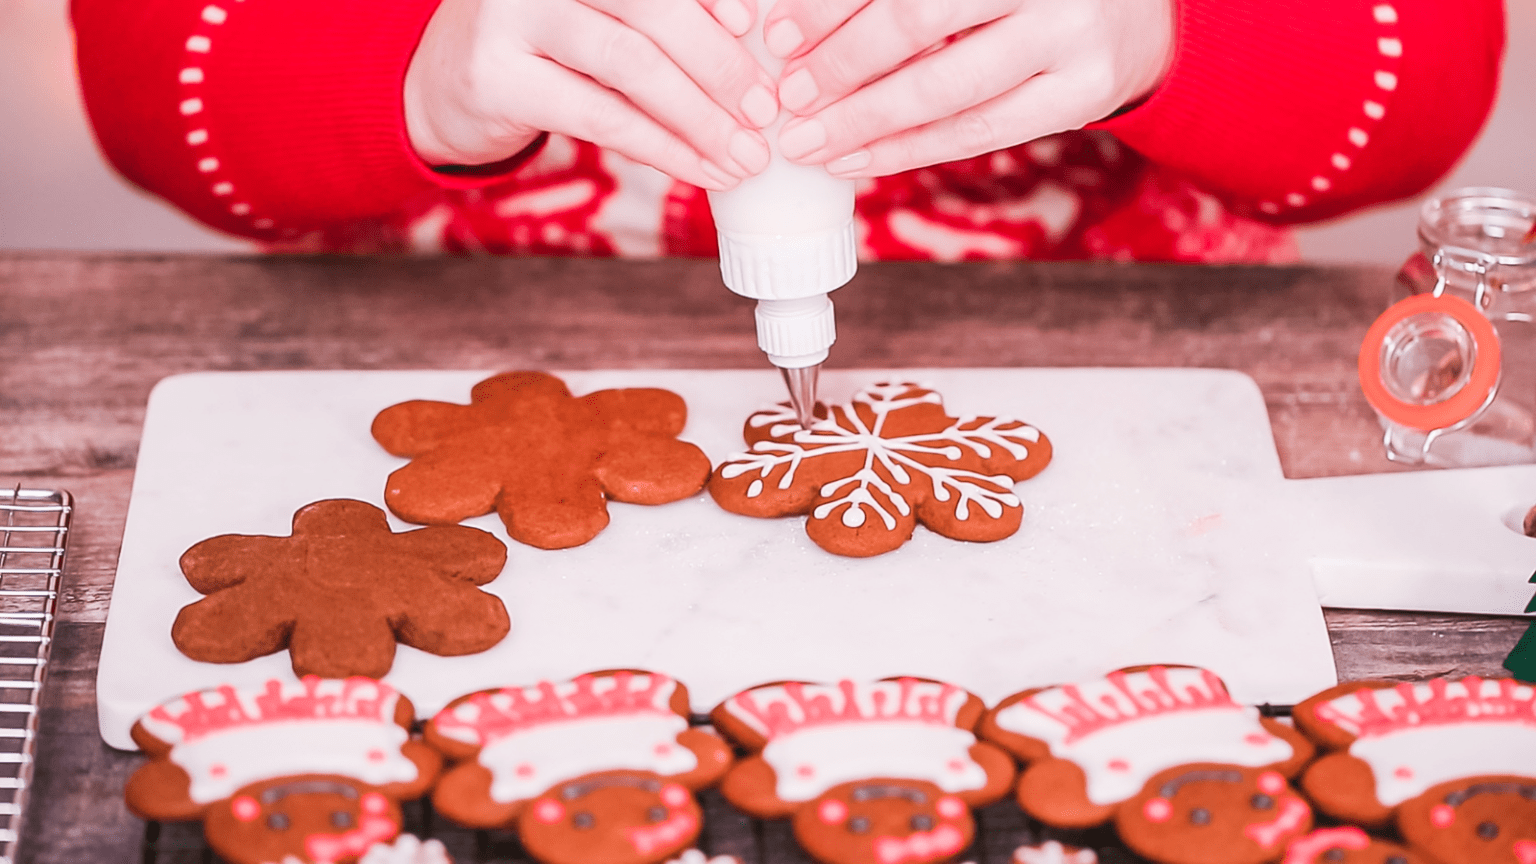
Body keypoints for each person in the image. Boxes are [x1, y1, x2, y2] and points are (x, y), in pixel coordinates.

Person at [72, 0, 1503, 262]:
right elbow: (150, 87)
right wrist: (419, 74)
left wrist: (1165, 36)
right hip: (465, 306)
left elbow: (1423, 92)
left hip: (1122, 308)